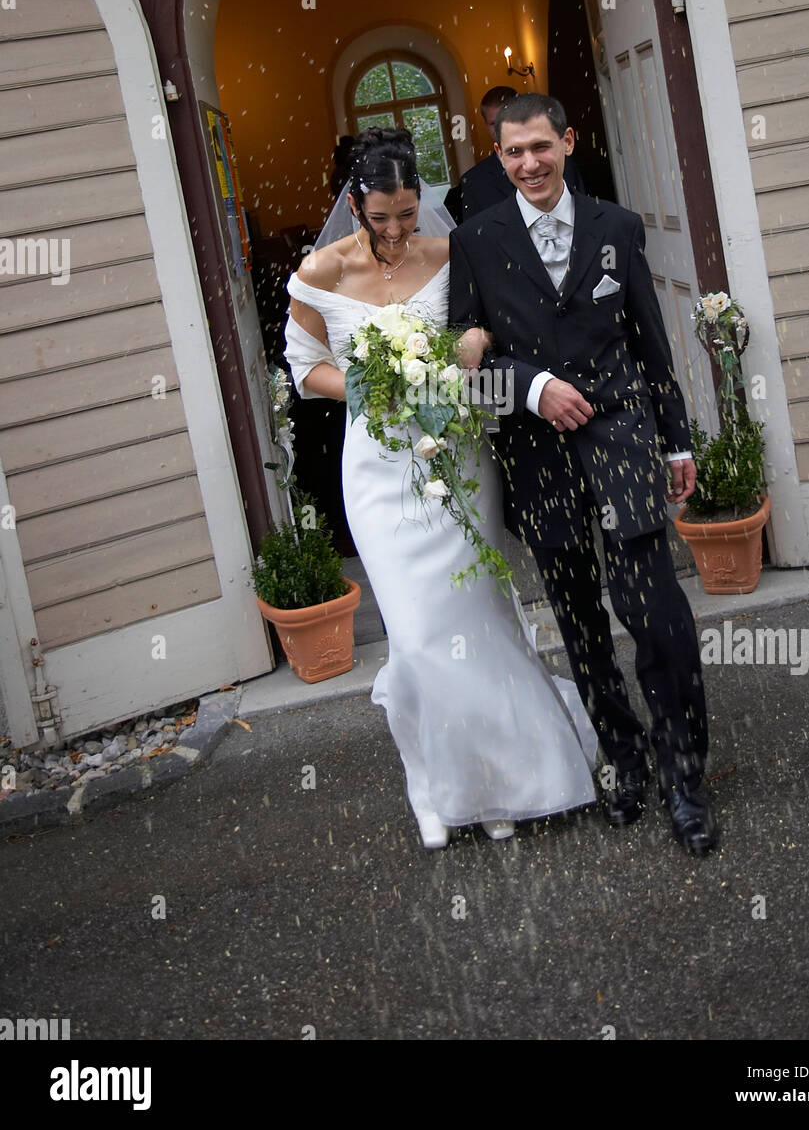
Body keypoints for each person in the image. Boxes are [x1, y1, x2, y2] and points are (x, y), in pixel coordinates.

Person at [282, 127, 599, 850]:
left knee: (475, 617)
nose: (396, 230)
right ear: (355, 205)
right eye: (381, 216)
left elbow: (484, 324)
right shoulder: (320, 272)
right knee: (420, 637)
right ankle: (440, 786)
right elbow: (307, 369)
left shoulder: (450, 251)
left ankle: (508, 779)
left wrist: (464, 352)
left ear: (421, 200)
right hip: (379, 468)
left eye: (407, 212)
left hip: (457, 457)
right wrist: (371, 385)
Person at [447, 93, 719, 854]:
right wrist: (532, 386)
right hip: (538, 459)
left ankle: (683, 775)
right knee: (581, 623)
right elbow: (464, 361)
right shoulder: (475, 241)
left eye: (540, 147)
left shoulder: (618, 228)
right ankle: (624, 761)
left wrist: (676, 443)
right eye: (513, 153)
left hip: (624, 439)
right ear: (497, 158)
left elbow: (650, 342)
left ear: (566, 142)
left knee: (655, 612)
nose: (529, 163)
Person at [444, 86, 584, 222]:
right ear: (486, 125)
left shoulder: (561, 163)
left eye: (507, 120)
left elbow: (582, 214)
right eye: (493, 124)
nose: (501, 129)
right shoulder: (473, 181)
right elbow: (476, 237)